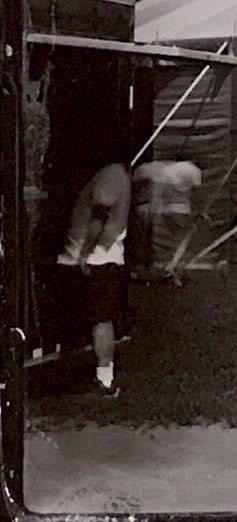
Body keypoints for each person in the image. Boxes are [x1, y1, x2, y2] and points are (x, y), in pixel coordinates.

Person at [56, 162, 131, 398]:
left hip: (96, 260)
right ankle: (94, 376)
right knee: (100, 320)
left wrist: (84, 254)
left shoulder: (110, 175)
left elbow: (99, 219)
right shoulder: (119, 176)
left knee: (99, 321)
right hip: (105, 259)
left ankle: (103, 380)